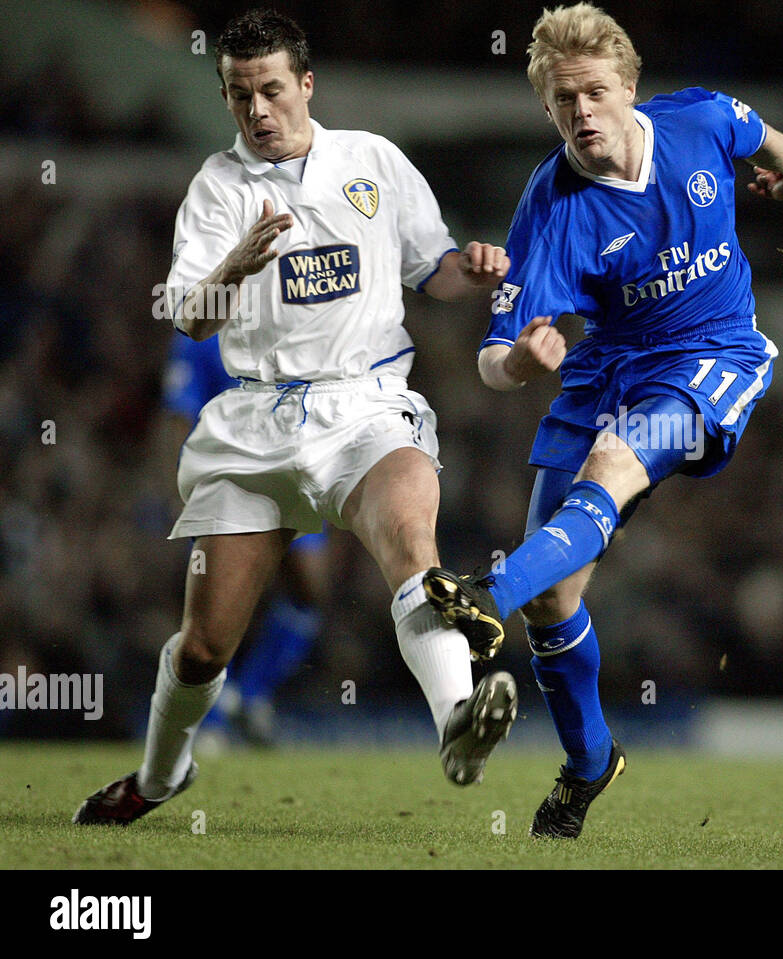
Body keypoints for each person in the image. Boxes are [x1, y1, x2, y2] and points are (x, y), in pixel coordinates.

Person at [75, 8, 515, 825]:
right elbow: (191, 319)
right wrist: (236, 262)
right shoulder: (216, 188)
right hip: (255, 426)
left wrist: (477, 267)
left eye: (271, 89)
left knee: (411, 543)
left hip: (368, 406)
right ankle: (162, 774)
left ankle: (458, 721)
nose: (257, 110)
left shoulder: (373, 160)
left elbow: (437, 271)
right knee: (206, 646)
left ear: (306, 84)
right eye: (239, 95)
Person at [422, 2, 783, 838]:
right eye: (562, 100)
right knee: (554, 604)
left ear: (629, 87)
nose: (581, 113)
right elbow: (494, 359)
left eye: (595, 92)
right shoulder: (553, 205)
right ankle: (589, 764)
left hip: (716, 357)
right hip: (605, 367)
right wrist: (525, 361)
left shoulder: (703, 120)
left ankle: (486, 592)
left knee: (612, 469)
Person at [161, 333, 327, 747]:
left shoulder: (294, 313)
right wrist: (175, 487)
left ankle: (248, 695)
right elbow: (179, 413)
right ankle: (209, 719)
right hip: (224, 476)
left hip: (290, 469)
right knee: (219, 607)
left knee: (309, 588)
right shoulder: (202, 332)